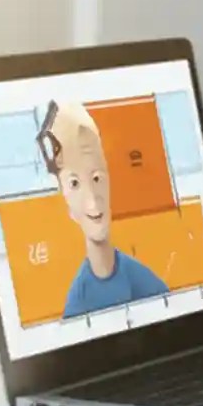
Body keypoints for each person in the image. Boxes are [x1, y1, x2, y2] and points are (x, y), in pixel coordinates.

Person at [36, 100, 170, 318]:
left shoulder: (140, 278)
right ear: (66, 200)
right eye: (75, 184)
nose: (92, 201)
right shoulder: (79, 302)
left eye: (97, 178)